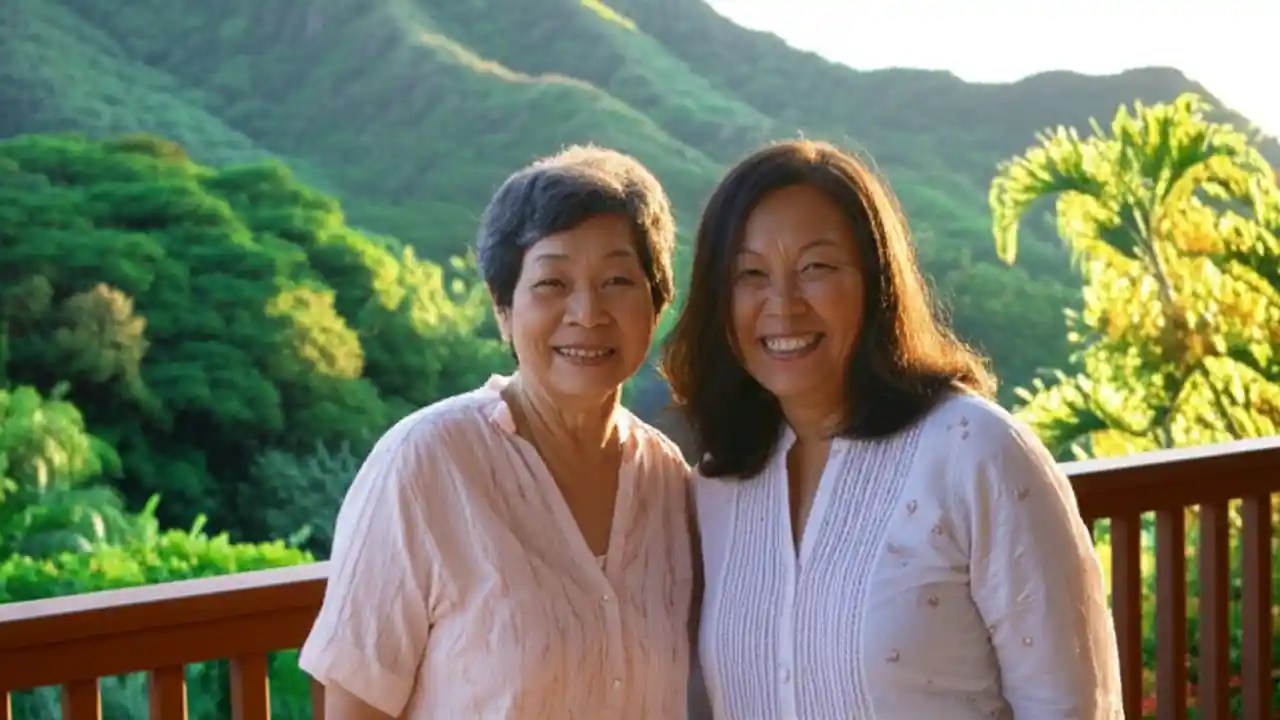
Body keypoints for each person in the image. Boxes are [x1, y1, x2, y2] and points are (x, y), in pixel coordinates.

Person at [662, 139, 1123, 719]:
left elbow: (1069, 706)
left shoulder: (973, 451)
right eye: (749, 273)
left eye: (817, 268)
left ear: (877, 283)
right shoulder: (716, 482)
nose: (782, 302)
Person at [299, 145, 694, 719]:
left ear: (657, 306)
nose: (587, 312)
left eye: (617, 281)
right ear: (503, 307)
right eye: (553, 283)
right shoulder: (425, 464)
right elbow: (356, 706)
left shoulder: (669, 483)